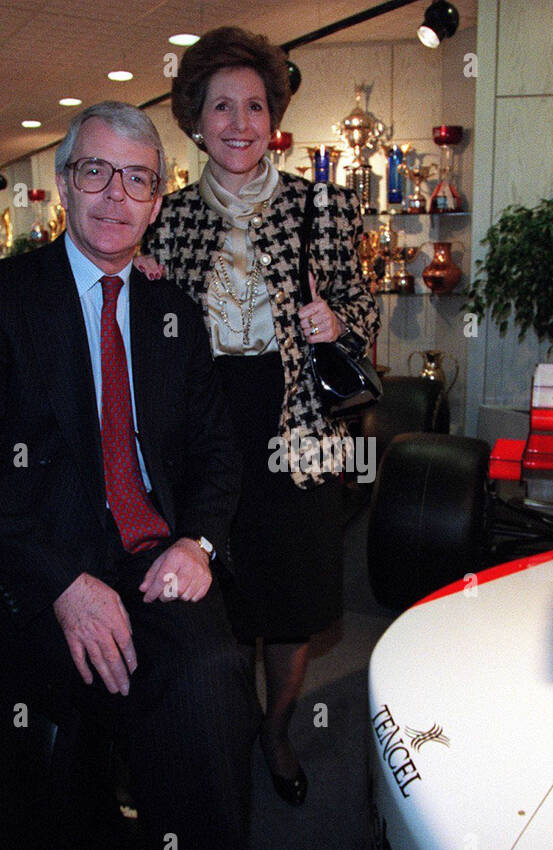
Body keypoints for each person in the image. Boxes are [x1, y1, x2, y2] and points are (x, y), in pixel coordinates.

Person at [0, 100, 260, 850]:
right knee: (49, 801)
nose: (117, 196)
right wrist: (63, 584)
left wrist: (200, 545)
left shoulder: (173, 312)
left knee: (212, 680)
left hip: (153, 561)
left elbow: (220, 453)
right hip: (40, 570)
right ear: (63, 182)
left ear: (157, 200)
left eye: (138, 180)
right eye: (97, 172)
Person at [141, 26, 379, 806]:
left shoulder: (325, 206)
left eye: (254, 104)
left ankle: (274, 730)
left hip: (297, 434)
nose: (239, 121)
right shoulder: (167, 219)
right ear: (196, 119)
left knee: (290, 607)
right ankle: (223, 721)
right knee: (215, 603)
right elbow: (150, 338)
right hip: (205, 434)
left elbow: (364, 315)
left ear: (273, 115)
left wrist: (336, 323)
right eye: (221, 106)